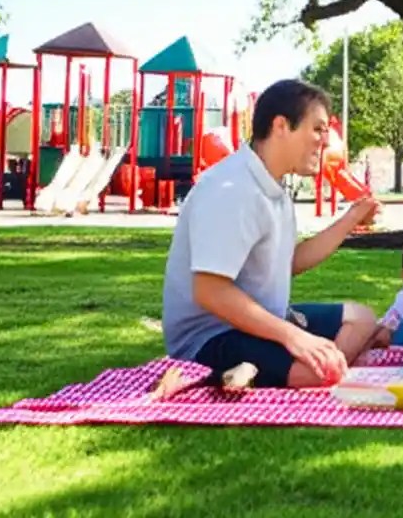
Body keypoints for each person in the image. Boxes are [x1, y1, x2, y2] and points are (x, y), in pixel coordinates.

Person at [161, 78, 382, 388]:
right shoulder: (232, 189)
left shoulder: (273, 186)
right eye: (317, 129)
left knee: (362, 319)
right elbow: (209, 290)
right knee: (318, 373)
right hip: (210, 338)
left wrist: (352, 218)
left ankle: (317, 367)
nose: (325, 141)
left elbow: (286, 263)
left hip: (262, 320)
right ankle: (308, 371)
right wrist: (294, 337)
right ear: (281, 126)